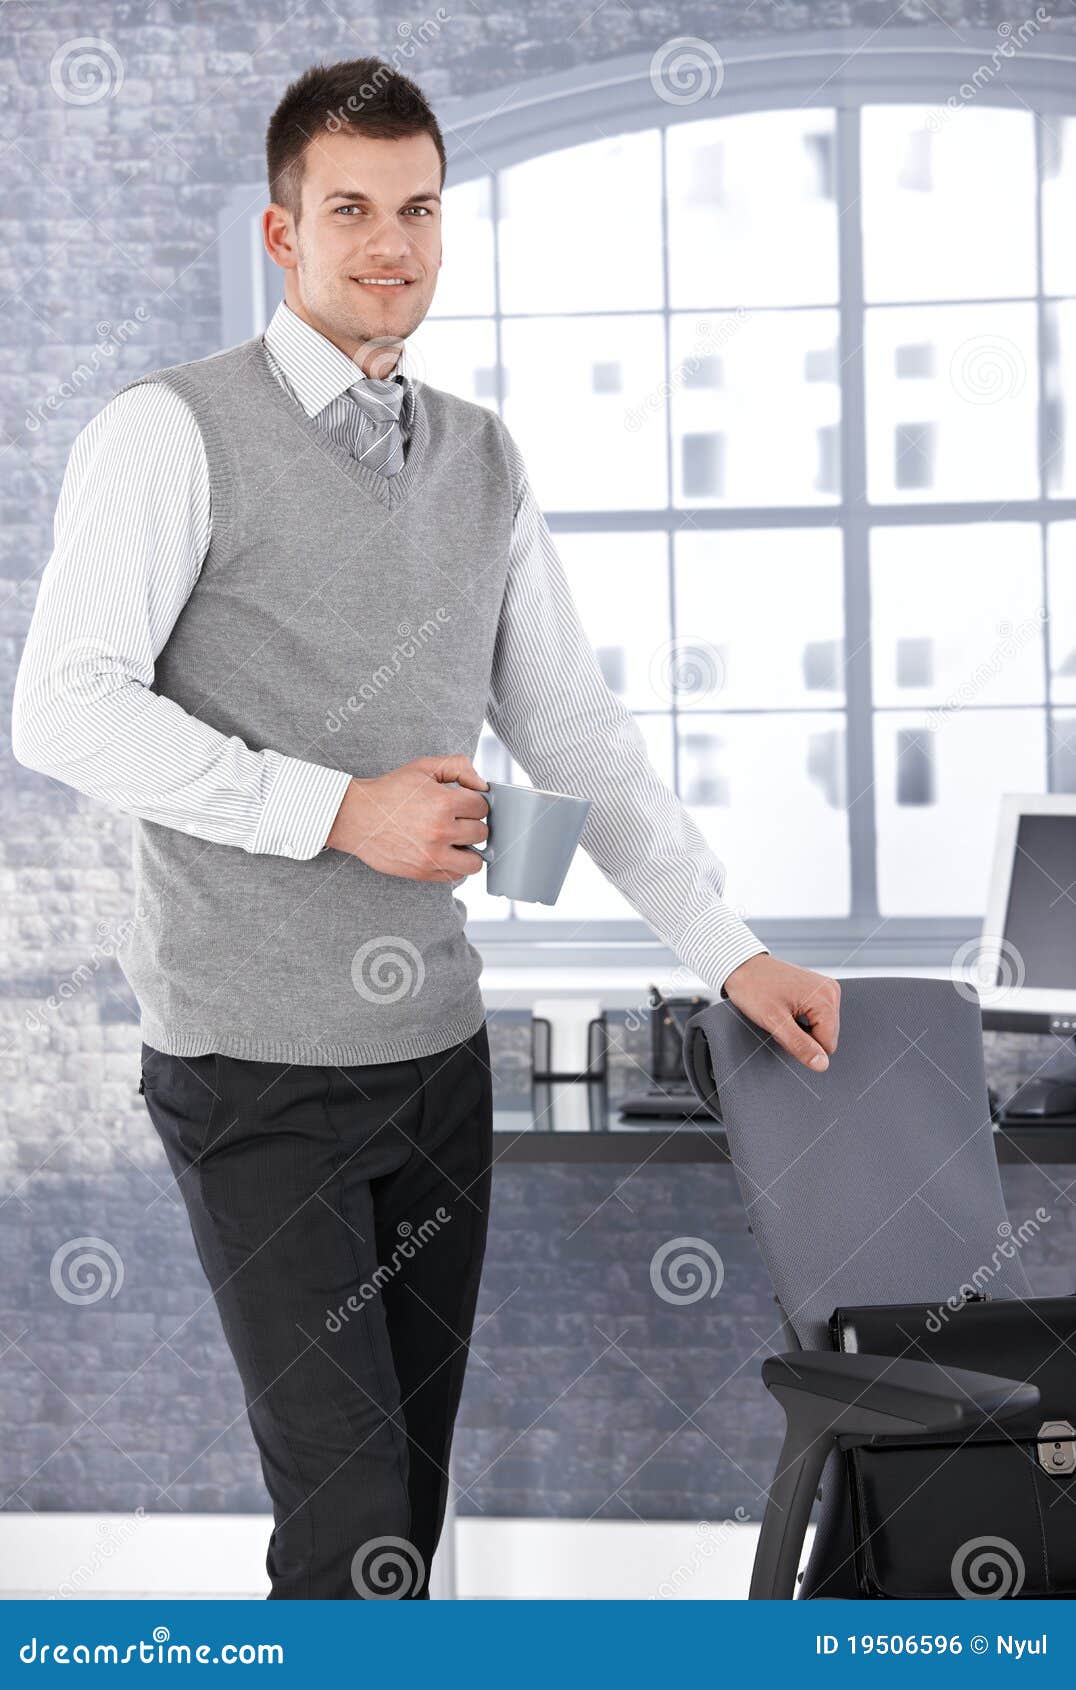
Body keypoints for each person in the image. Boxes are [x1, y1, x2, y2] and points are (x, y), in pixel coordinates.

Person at [11, 55, 841, 1599]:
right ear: (283, 236)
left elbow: (574, 736)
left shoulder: (483, 457)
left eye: (418, 210)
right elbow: (60, 707)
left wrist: (733, 953)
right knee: (350, 1533)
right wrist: (341, 809)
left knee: (401, 1516)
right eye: (349, 210)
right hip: (251, 1067)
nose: (389, 244)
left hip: (432, 1067)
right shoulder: (170, 432)